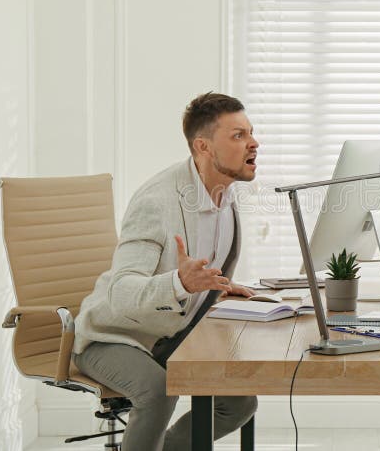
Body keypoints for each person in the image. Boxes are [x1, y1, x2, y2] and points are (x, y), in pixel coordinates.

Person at [73, 92, 259, 451]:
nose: (254, 143)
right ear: (203, 147)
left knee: (240, 403)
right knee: (158, 390)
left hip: (171, 336)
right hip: (112, 337)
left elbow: (200, 271)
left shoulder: (225, 195)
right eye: (238, 135)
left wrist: (214, 287)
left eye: (250, 132)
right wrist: (180, 283)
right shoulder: (156, 201)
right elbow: (121, 292)